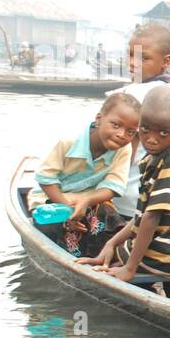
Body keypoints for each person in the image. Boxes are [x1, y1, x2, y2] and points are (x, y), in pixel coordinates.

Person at [80, 85, 170, 293]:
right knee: (112, 244)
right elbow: (142, 215)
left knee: (111, 251)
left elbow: (151, 217)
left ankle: (134, 284)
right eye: (144, 130)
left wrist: (129, 267)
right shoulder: (160, 155)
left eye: (163, 132)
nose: (151, 139)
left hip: (169, 256)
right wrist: (112, 243)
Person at [29, 91, 140, 257]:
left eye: (130, 132)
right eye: (116, 125)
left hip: (88, 200)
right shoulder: (69, 141)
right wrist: (68, 210)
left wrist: (86, 201)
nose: (121, 135)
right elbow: (46, 179)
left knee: (108, 214)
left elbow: (113, 186)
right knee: (53, 223)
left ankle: (110, 256)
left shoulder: (124, 148)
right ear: (99, 119)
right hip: (53, 198)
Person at [112, 23, 170, 219]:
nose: (133, 63)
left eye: (144, 57)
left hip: (124, 194)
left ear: (166, 61)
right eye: (131, 55)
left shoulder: (133, 94)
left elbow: (126, 151)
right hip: (155, 199)